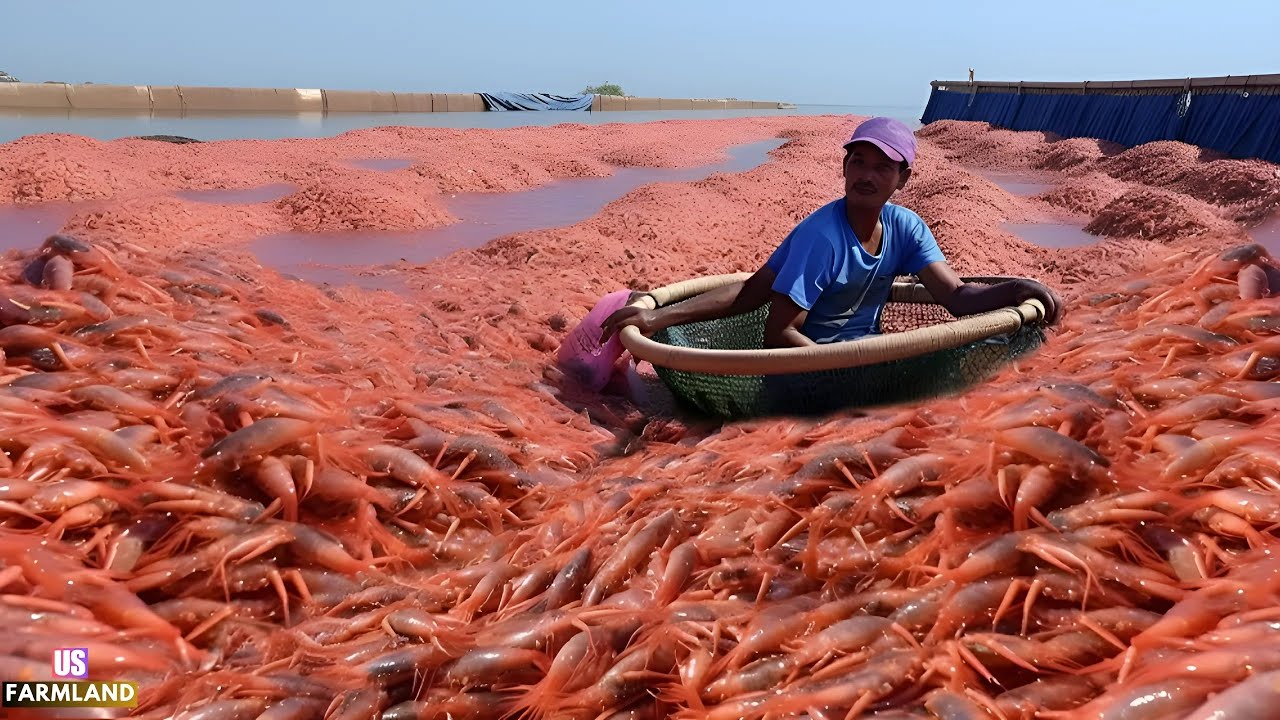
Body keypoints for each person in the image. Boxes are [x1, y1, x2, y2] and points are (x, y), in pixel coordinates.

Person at [600, 116, 1061, 349]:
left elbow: (956, 297)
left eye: (883, 167)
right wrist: (656, 318)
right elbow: (778, 331)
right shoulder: (822, 237)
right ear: (843, 167)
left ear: (904, 180)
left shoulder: (906, 228)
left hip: (862, 356)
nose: (866, 174)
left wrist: (1017, 288)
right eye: (857, 161)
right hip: (808, 370)